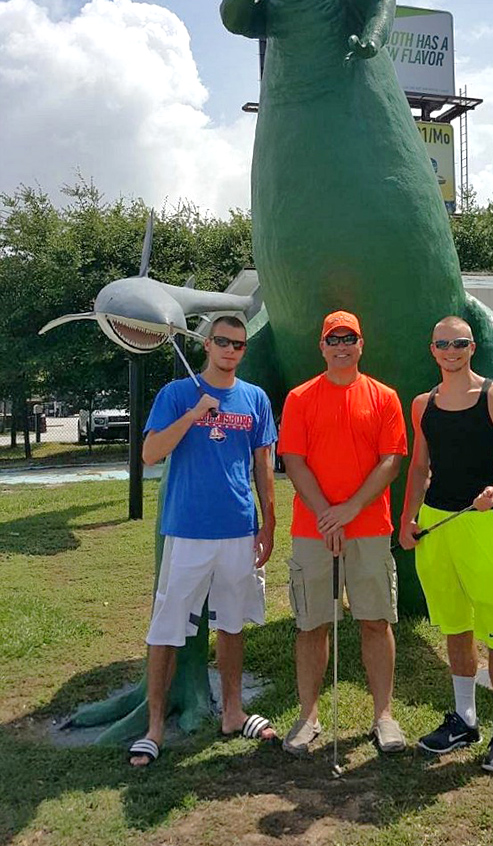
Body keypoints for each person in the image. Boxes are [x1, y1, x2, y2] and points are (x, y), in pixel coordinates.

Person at [128, 315, 278, 767]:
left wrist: (268, 520)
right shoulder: (176, 395)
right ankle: (154, 727)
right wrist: (194, 415)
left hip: (238, 530)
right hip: (188, 531)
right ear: (207, 346)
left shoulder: (255, 398)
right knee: (167, 627)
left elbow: (263, 465)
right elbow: (150, 453)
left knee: (232, 624)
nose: (231, 350)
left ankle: (232, 712)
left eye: (239, 345)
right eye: (224, 342)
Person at [399, 315, 493, 773]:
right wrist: (407, 517)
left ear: (472, 347)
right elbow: (418, 467)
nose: (451, 350)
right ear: (432, 350)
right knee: (455, 627)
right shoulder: (423, 404)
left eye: (459, 343)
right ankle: (464, 720)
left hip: (482, 524)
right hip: (437, 525)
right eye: (442, 344)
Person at [278, 310, 408, 756]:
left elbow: (391, 460)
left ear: (360, 344)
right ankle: (307, 717)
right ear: (322, 346)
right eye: (333, 339)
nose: (341, 346)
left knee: (375, 620)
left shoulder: (385, 397)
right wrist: (325, 515)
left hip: (369, 528)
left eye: (349, 338)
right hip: (313, 530)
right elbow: (293, 460)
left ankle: (383, 716)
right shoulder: (299, 397)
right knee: (312, 624)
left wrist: (348, 511)